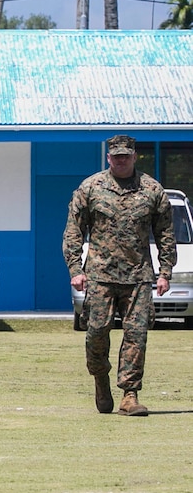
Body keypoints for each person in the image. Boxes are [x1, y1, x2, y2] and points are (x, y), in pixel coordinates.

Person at [63, 134, 176, 416]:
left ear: (135, 157)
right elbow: (74, 231)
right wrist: (75, 269)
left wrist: (165, 272)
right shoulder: (90, 188)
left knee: (136, 336)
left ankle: (130, 394)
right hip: (100, 276)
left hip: (138, 276)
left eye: (126, 156)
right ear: (108, 158)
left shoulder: (152, 190)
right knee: (97, 333)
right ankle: (100, 378)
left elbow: (165, 234)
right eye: (117, 156)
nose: (121, 160)